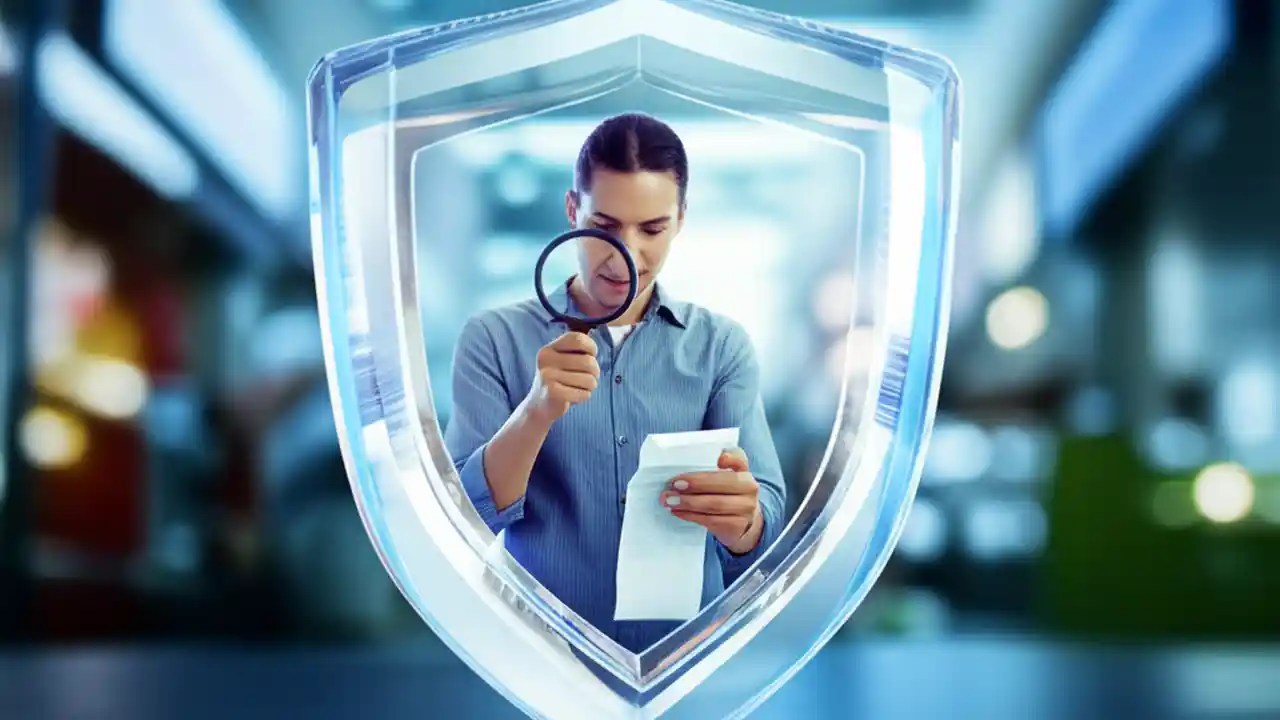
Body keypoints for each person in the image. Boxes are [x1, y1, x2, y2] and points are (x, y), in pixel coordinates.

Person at [444, 112, 785, 654]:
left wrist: (742, 520)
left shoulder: (721, 347)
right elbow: (462, 520)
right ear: (572, 209)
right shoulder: (493, 339)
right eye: (604, 228)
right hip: (541, 664)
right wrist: (537, 410)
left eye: (653, 229)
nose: (628, 254)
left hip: (685, 665)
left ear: (680, 220)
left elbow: (764, 519)